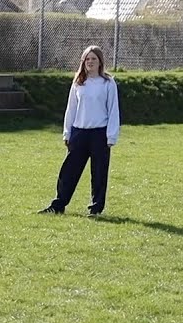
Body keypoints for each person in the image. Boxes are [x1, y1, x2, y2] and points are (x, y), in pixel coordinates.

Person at [37, 44, 121, 218]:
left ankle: (96, 208)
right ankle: (58, 204)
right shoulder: (78, 82)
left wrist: (111, 136)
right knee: (68, 171)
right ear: (83, 62)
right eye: (87, 59)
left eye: (94, 59)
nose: (90, 62)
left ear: (100, 62)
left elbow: (113, 110)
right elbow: (71, 109)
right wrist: (67, 132)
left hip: (99, 134)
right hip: (79, 133)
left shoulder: (108, 82)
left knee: (98, 172)